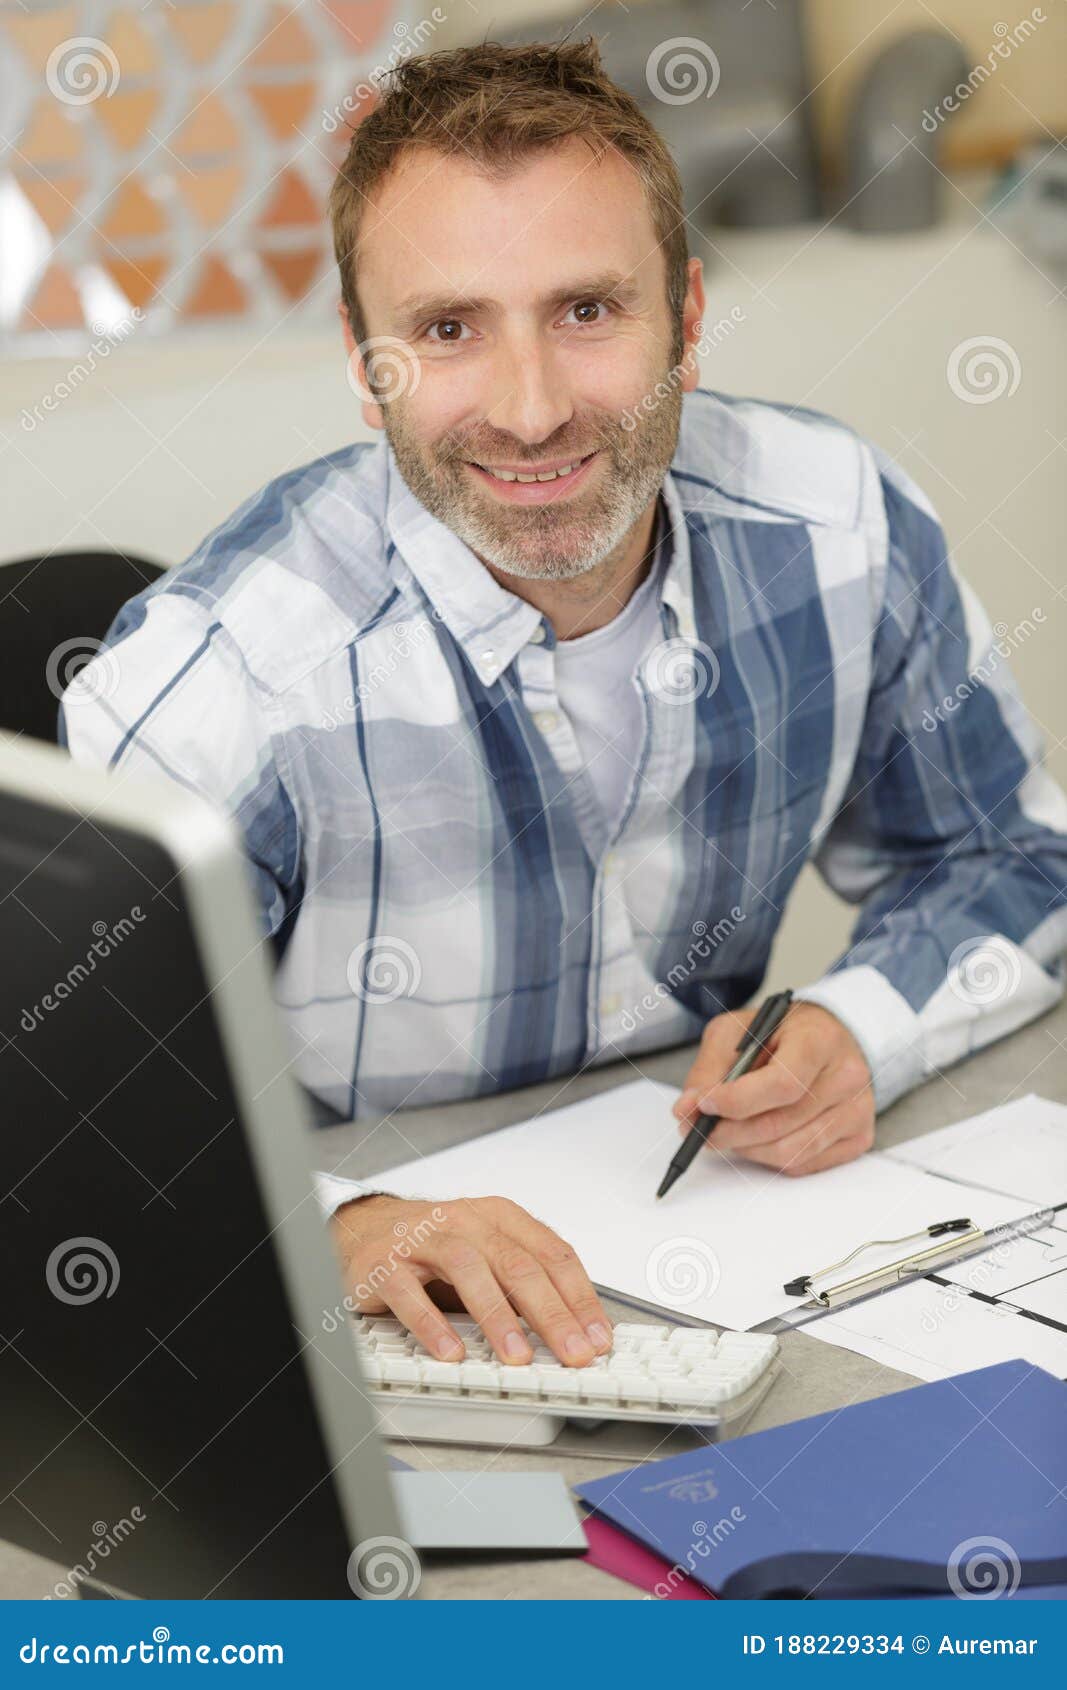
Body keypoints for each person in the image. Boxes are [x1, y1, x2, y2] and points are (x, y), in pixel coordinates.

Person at [59, 41, 1067, 1369]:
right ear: (367, 368)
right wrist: (340, 1224)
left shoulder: (845, 530)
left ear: (689, 320)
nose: (531, 412)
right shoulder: (226, 676)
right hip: (363, 1324)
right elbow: (66, 1119)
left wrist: (861, 1023)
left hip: (728, 1251)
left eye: (588, 311)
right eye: (449, 329)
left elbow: (1008, 855)